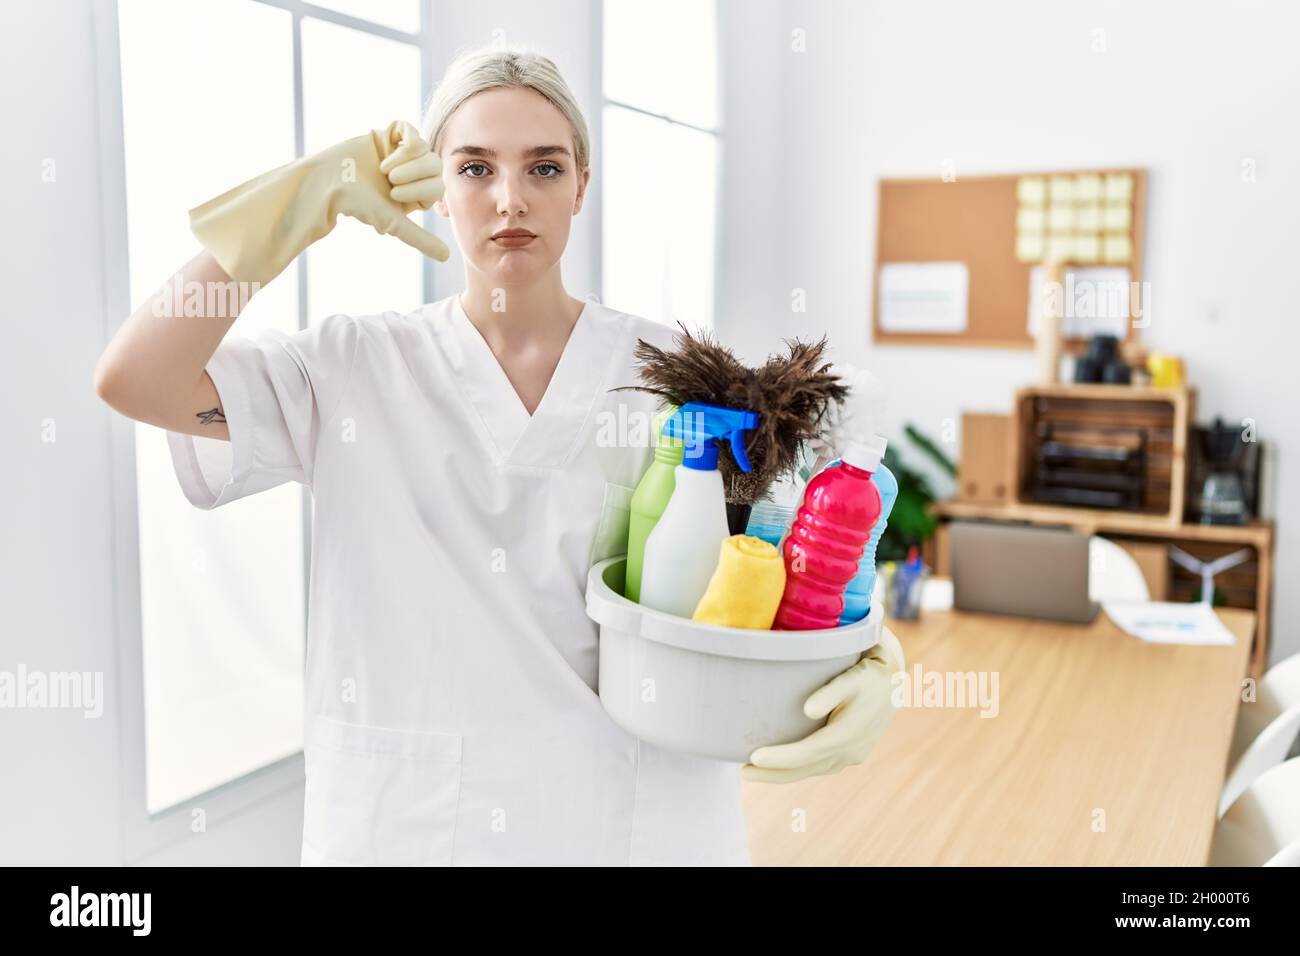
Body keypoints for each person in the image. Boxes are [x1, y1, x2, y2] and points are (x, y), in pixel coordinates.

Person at [93, 45, 904, 866]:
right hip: (415, 827)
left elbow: (791, 553)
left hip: (632, 820)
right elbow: (135, 378)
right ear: (436, 188)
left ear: (582, 182)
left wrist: (871, 653)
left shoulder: (676, 375)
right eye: (474, 168)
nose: (509, 199)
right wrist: (286, 214)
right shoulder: (349, 370)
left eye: (544, 168)